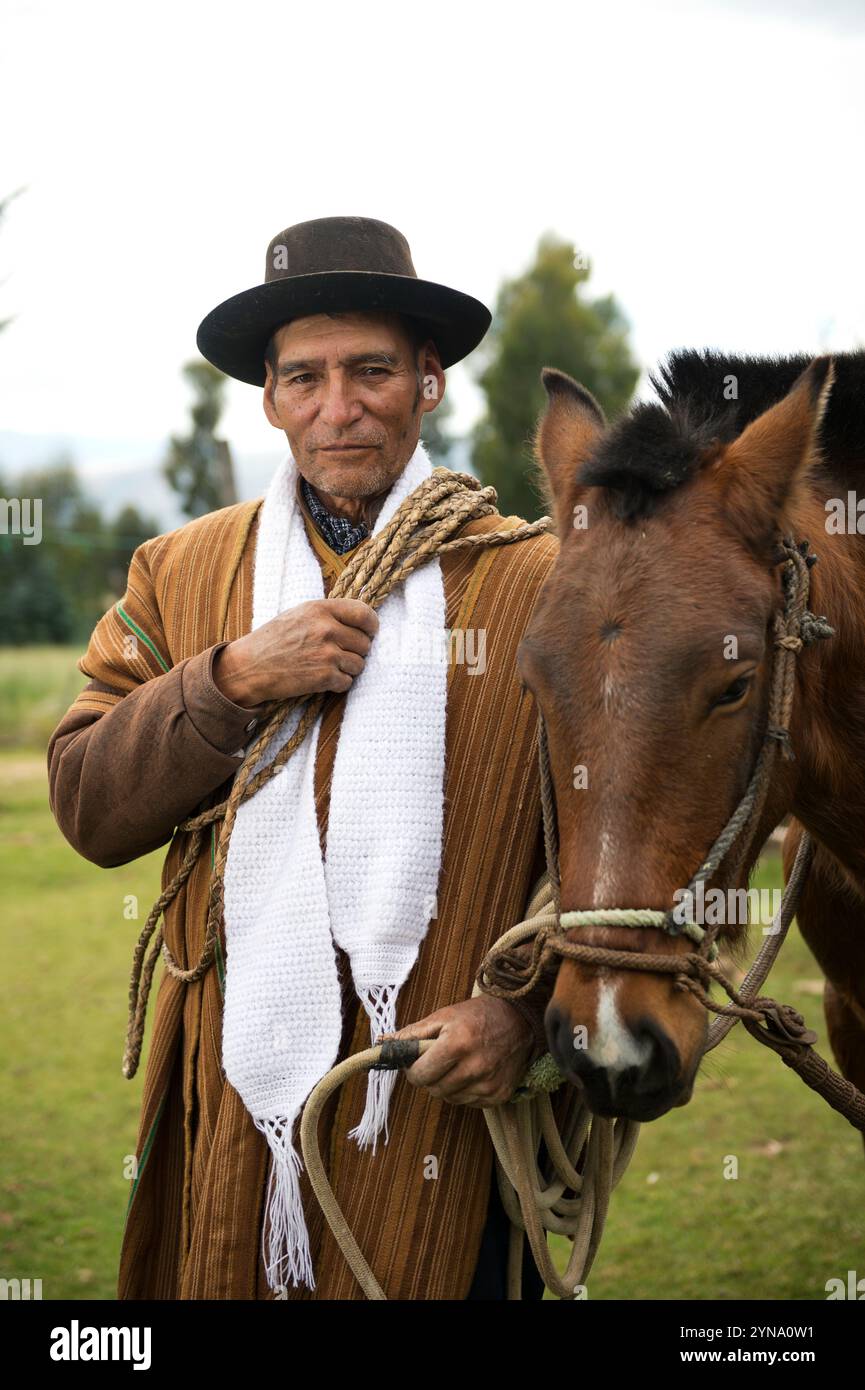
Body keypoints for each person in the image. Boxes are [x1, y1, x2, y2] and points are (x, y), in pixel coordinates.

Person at [47, 215, 560, 1300]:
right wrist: (227, 679)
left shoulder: (540, 585)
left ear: (428, 381)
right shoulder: (179, 576)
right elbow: (88, 804)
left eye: (372, 369)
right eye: (306, 377)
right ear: (270, 398)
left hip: (441, 1110)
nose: (339, 406)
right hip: (235, 1111)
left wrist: (528, 1018)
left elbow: (628, 853)